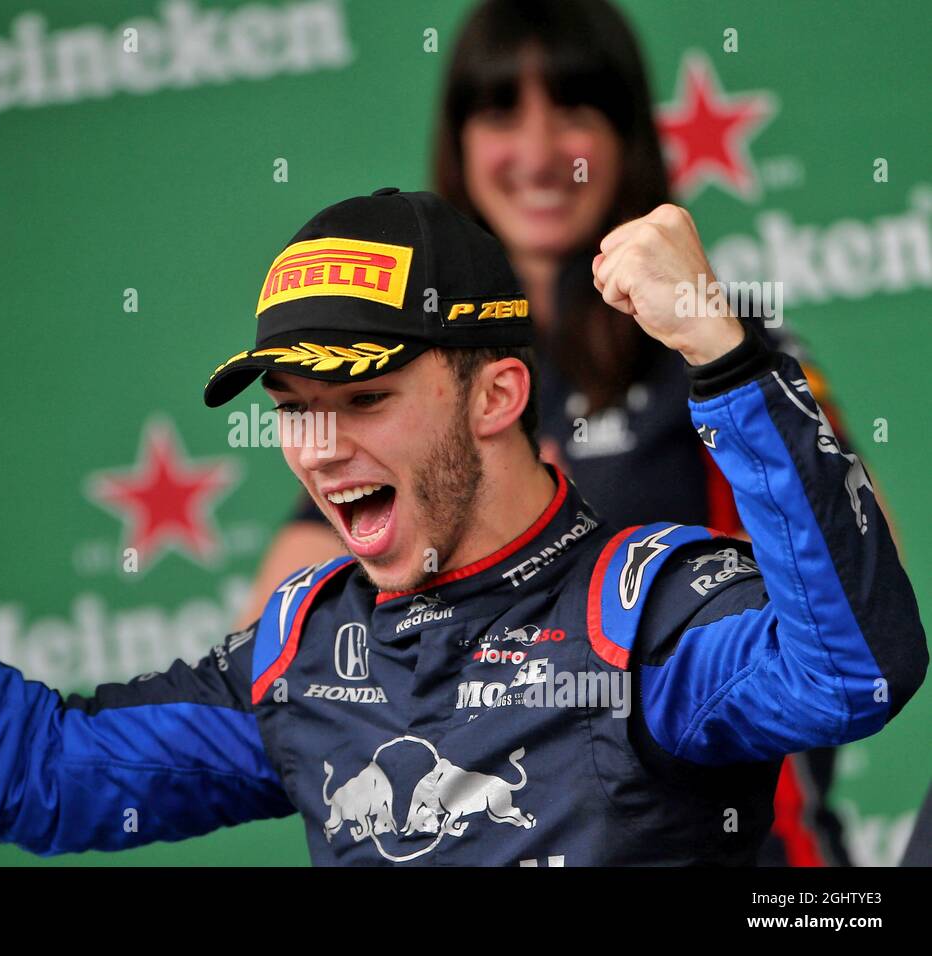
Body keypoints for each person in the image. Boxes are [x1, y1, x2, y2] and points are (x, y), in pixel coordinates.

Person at [0, 188, 926, 865]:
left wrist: (719, 349)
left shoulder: (643, 606)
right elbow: (47, 777)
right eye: (293, 409)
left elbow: (854, 667)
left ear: (497, 392)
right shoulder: (303, 648)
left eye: (364, 398)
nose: (318, 449)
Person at [240, 0, 860, 866]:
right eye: (501, 113)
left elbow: (860, 592)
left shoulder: (711, 338)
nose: (538, 152)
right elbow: (286, 644)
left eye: (573, 109)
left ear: (629, 135)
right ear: (457, 142)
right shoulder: (416, 378)